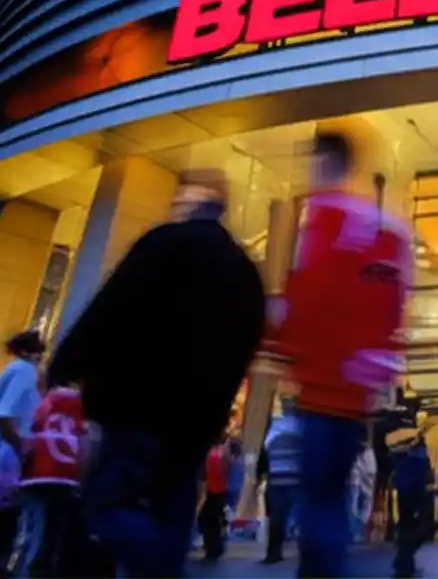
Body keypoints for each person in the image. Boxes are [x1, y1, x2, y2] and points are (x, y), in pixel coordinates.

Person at [48, 170, 266, 577]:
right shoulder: (244, 273)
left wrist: (67, 364)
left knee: (107, 504)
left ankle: (154, 562)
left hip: (136, 404)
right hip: (197, 420)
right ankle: (162, 565)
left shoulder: (163, 244)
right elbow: (247, 344)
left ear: (191, 208)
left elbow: (112, 307)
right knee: (173, 507)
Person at [272, 132, 412, 577]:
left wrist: (280, 339)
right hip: (353, 394)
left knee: (321, 503)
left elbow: (310, 295)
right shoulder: (382, 226)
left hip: (323, 385)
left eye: (311, 161)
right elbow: (393, 304)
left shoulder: (330, 216)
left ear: (326, 161)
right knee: (327, 499)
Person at [16, 381, 85, 578]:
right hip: (66, 475)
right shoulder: (79, 404)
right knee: (57, 534)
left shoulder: (44, 401)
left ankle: (24, 569)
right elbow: (86, 442)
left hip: (36, 474)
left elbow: (31, 433)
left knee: (33, 528)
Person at [0, 331, 43, 573]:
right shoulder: (25, 372)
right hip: (8, 455)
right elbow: (5, 414)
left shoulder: (13, 369)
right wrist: (21, 446)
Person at [390, 422, 433, 578]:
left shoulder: (409, 453)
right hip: (413, 490)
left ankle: (404, 561)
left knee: (408, 526)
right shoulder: (407, 453)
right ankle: (404, 561)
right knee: (418, 526)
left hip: (409, 489)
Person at [262, 398, 302, 565]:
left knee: (276, 519)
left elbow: (265, 451)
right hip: (294, 480)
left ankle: (273, 553)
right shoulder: (301, 428)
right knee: (298, 518)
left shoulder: (273, 429)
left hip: (276, 479)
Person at [197, 437, 232, 561]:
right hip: (220, 489)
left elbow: (204, 473)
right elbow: (227, 469)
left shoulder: (210, 452)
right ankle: (215, 547)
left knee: (207, 520)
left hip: (210, 490)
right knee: (214, 520)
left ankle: (212, 548)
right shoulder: (223, 451)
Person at [349, 439, 377, 543]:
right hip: (353, 452)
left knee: (365, 499)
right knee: (353, 498)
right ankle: (354, 532)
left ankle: (357, 531)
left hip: (366, 453)